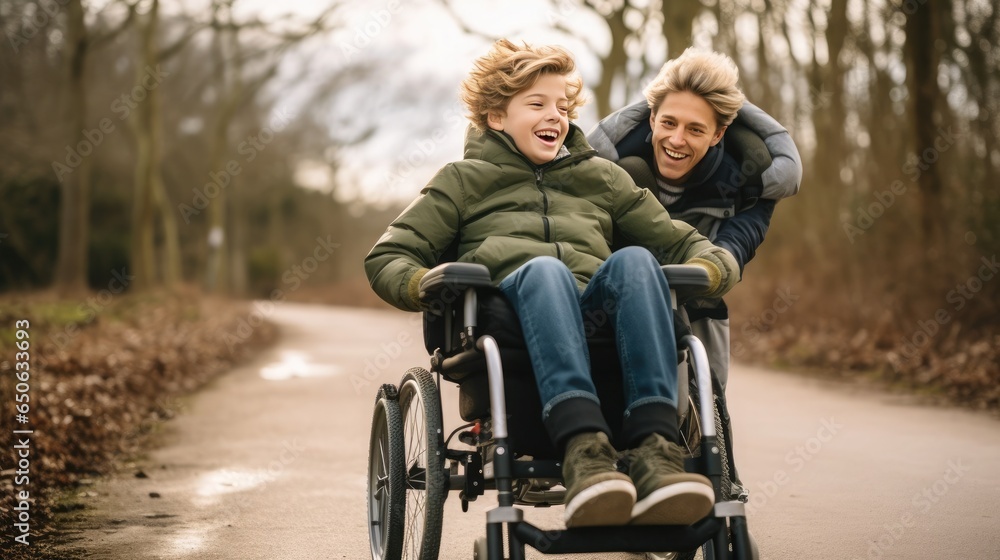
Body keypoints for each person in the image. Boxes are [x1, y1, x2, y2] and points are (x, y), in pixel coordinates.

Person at [365, 39, 741, 528]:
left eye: (563, 107)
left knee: (634, 261)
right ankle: (584, 450)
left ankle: (657, 453)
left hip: (595, 317)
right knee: (546, 270)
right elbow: (388, 256)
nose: (556, 116)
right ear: (497, 117)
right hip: (511, 319)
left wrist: (713, 270)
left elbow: (683, 243)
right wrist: (426, 283)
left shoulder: (601, 179)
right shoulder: (461, 181)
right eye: (538, 104)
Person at [587, 48, 802, 497]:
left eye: (695, 128)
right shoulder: (610, 166)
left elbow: (741, 239)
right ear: (651, 120)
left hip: (694, 290)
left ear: (720, 133)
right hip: (617, 288)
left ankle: (717, 463)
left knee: (708, 378)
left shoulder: (746, 175)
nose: (677, 139)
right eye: (668, 123)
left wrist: (710, 266)